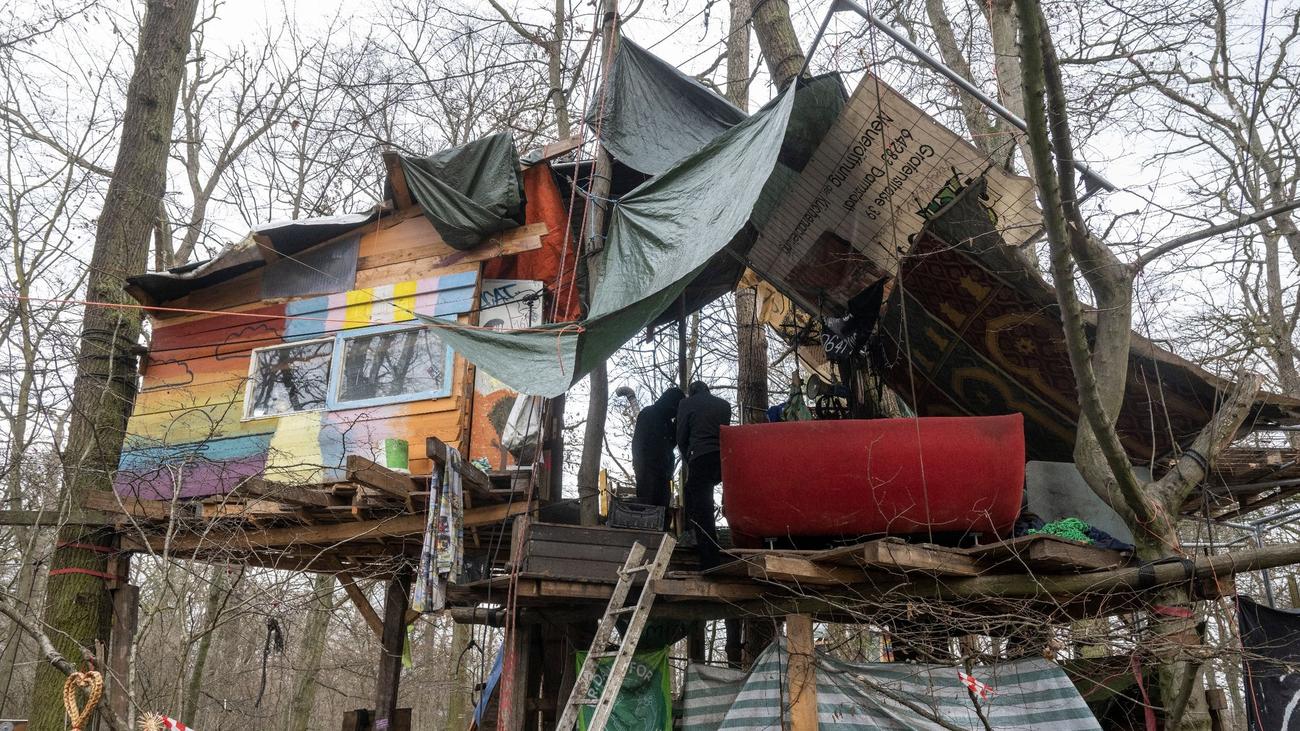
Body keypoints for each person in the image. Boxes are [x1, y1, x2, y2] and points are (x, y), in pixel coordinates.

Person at [676, 380, 731, 568]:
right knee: (728, 498)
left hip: (700, 457)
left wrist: (688, 457)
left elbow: (681, 435)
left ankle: (709, 560)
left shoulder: (686, 404)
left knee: (703, 508)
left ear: (691, 393)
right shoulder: (724, 405)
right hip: (724, 458)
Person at [630, 387, 685, 516]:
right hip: (648, 472)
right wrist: (640, 470)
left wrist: (678, 422)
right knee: (648, 511)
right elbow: (638, 444)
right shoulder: (649, 413)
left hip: (663, 474)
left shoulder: (666, 420)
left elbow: (671, 443)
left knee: (662, 511)